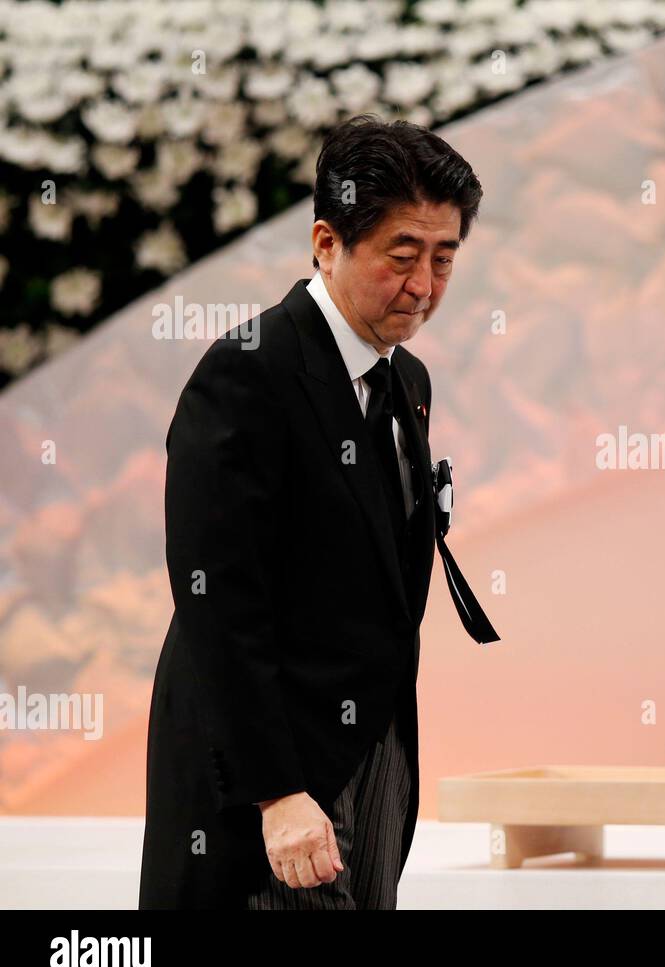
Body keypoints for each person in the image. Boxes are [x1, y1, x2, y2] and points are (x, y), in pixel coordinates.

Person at [139, 114, 498, 910]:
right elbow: (218, 606)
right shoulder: (245, 375)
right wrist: (275, 795)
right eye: (402, 257)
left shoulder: (408, 383)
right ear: (326, 242)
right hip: (272, 779)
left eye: (445, 260)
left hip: (375, 757)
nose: (424, 287)